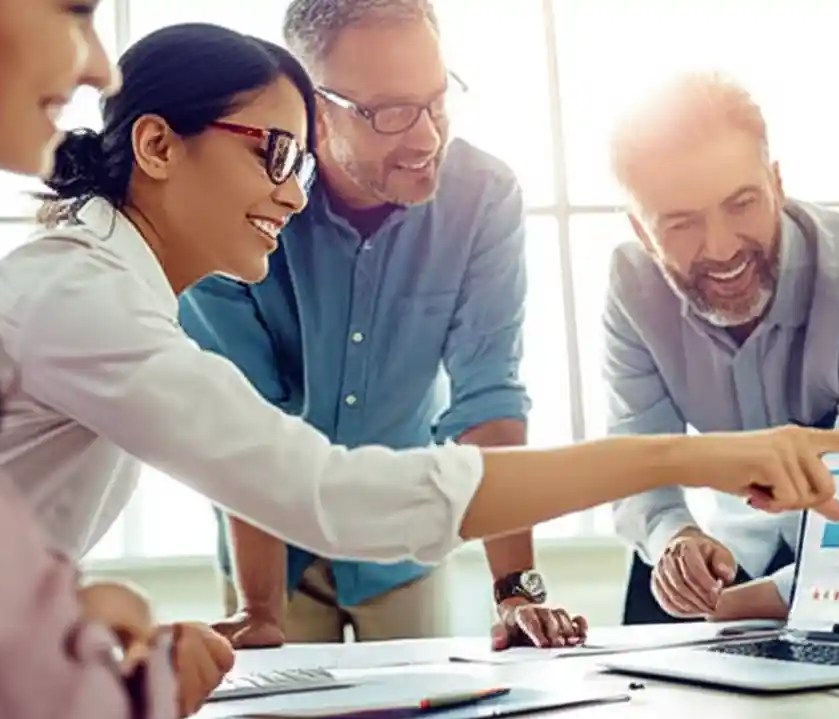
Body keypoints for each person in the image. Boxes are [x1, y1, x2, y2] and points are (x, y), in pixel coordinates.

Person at [0, 19, 839, 654]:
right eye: (277, 153)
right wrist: (689, 459)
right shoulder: (88, 302)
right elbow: (319, 489)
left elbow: (480, 402)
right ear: (160, 148)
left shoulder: (102, 284)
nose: (294, 192)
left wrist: (518, 585)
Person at [175, 0, 559, 650]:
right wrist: (261, 606)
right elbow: (237, 419)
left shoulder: (484, 197)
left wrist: (516, 589)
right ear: (312, 108)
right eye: (390, 113)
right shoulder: (231, 204)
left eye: (436, 102)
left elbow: (487, 396)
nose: (428, 138)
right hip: (268, 543)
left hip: (400, 535)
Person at [603, 72, 839, 624]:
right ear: (642, 233)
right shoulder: (633, 288)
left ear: (777, 186)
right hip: (758, 528)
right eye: (682, 224)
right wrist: (674, 538)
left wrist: (758, 602)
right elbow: (634, 462)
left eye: (742, 204)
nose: (722, 248)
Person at [0, 0, 192, 716]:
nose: (100, 66)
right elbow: (25, 696)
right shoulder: (81, 287)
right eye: (73, 11)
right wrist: (139, 678)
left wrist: (64, 623)